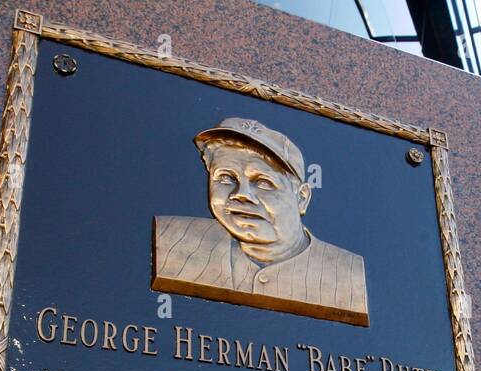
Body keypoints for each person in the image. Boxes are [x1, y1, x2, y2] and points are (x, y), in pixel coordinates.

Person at [152, 117, 369, 326]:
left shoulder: (347, 275)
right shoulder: (171, 241)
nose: (242, 194)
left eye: (263, 182)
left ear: (301, 198)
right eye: (226, 178)